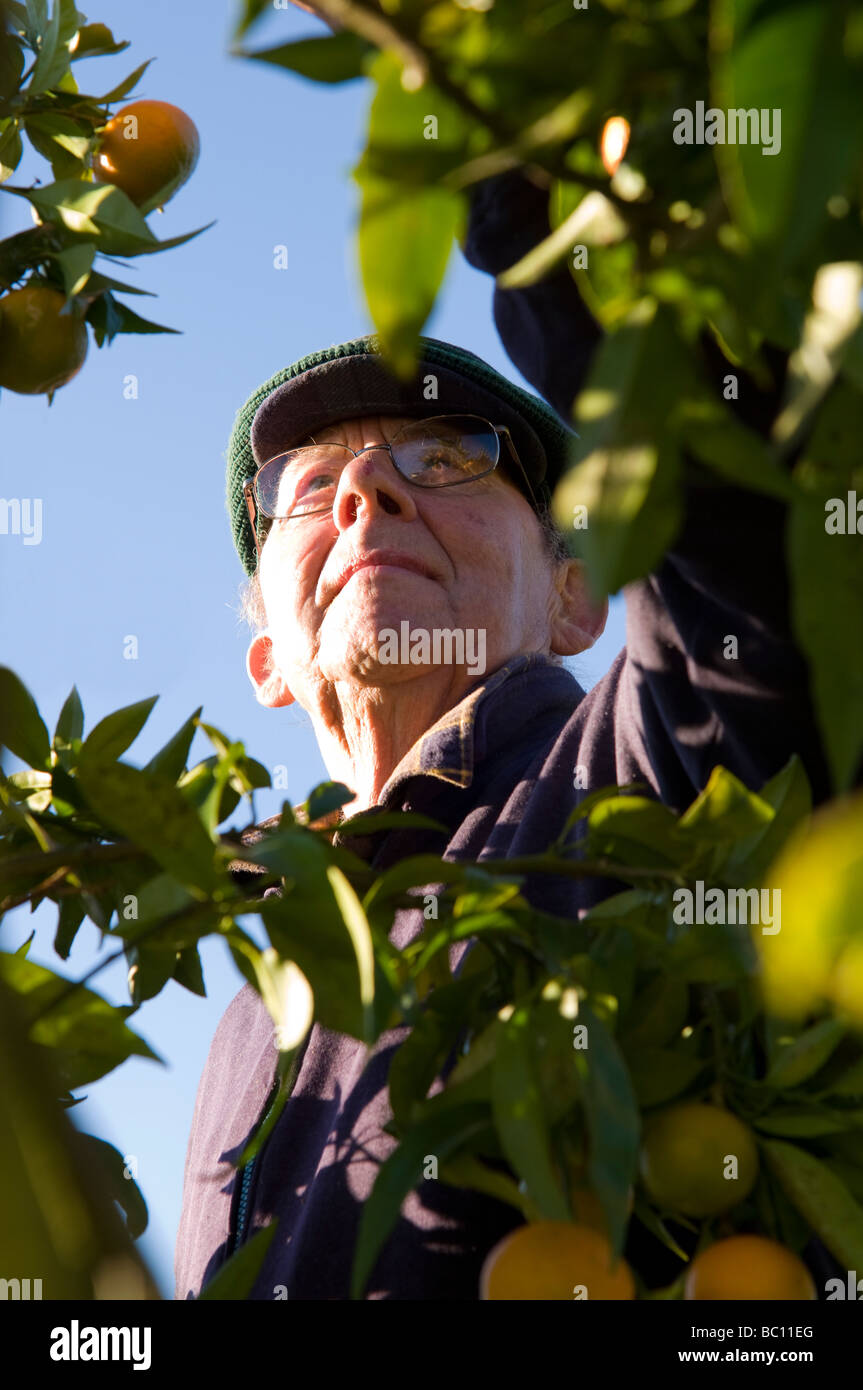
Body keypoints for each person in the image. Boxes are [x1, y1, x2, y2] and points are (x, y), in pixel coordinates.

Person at [174, 170, 833, 1300]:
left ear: (576, 600)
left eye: (446, 458)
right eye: (307, 482)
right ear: (268, 665)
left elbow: (760, 566)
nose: (367, 489)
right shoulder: (254, 998)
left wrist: (540, 213)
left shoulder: (639, 772)